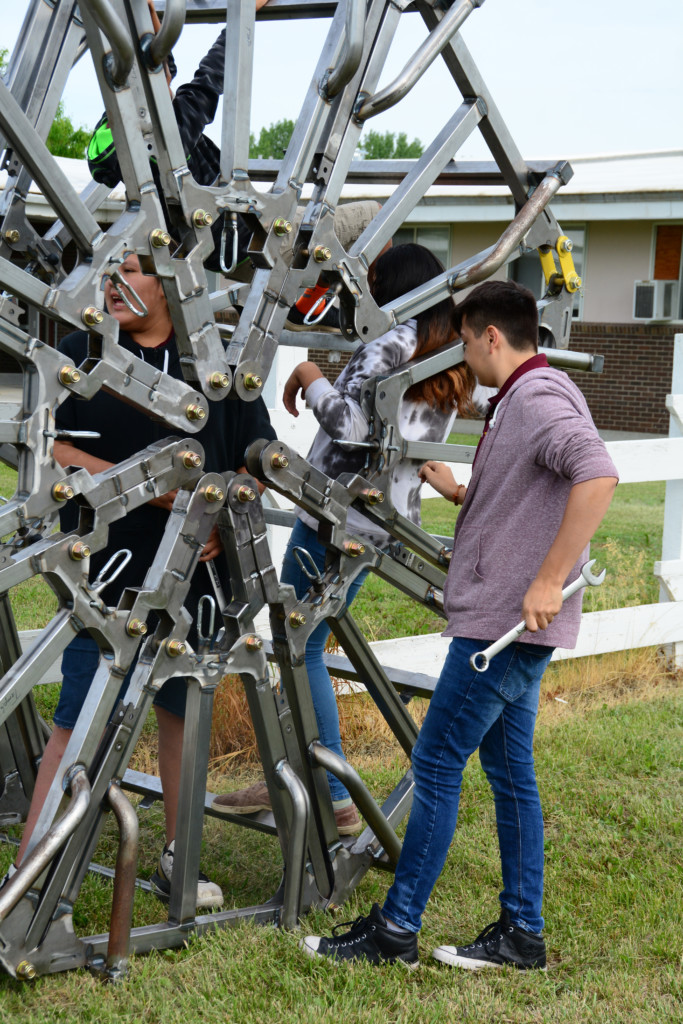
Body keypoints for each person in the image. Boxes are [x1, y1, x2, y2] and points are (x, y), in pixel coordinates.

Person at [299, 279, 619, 968]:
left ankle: (394, 932)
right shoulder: (527, 397)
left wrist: (546, 579)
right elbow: (531, 494)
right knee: (509, 773)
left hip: (503, 628)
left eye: (466, 342)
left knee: (436, 762)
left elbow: (596, 474)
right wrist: (459, 492)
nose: (462, 357)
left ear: (489, 337)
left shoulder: (535, 398)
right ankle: (520, 935)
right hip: (506, 619)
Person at [13, 253, 276, 909]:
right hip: (108, 572)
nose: (115, 282)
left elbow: (257, 461)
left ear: (176, 281)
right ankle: (29, 874)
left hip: (202, 574)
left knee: (183, 715)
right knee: (80, 717)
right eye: (110, 269)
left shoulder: (215, 368)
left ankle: (176, 860)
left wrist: (223, 505)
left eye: (134, 268)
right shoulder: (83, 352)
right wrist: (147, 486)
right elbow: (47, 448)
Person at [211, 243, 477, 834]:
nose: (362, 292)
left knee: (297, 646)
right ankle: (304, 773)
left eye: (371, 280)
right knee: (308, 647)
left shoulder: (389, 345)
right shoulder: (448, 357)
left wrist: (309, 376)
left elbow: (353, 430)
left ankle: (327, 788)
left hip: (330, 517)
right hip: (383, 526)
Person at [87, 0, 377, 330]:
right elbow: (209, 77)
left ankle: (304, 301)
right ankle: (356, 303)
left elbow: (154, 74)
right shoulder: (173, 134)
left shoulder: (114, 137)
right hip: (258, 236)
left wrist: (148, 21)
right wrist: (243, 15)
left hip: (219, 254)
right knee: (375, 219)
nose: (165, 77)